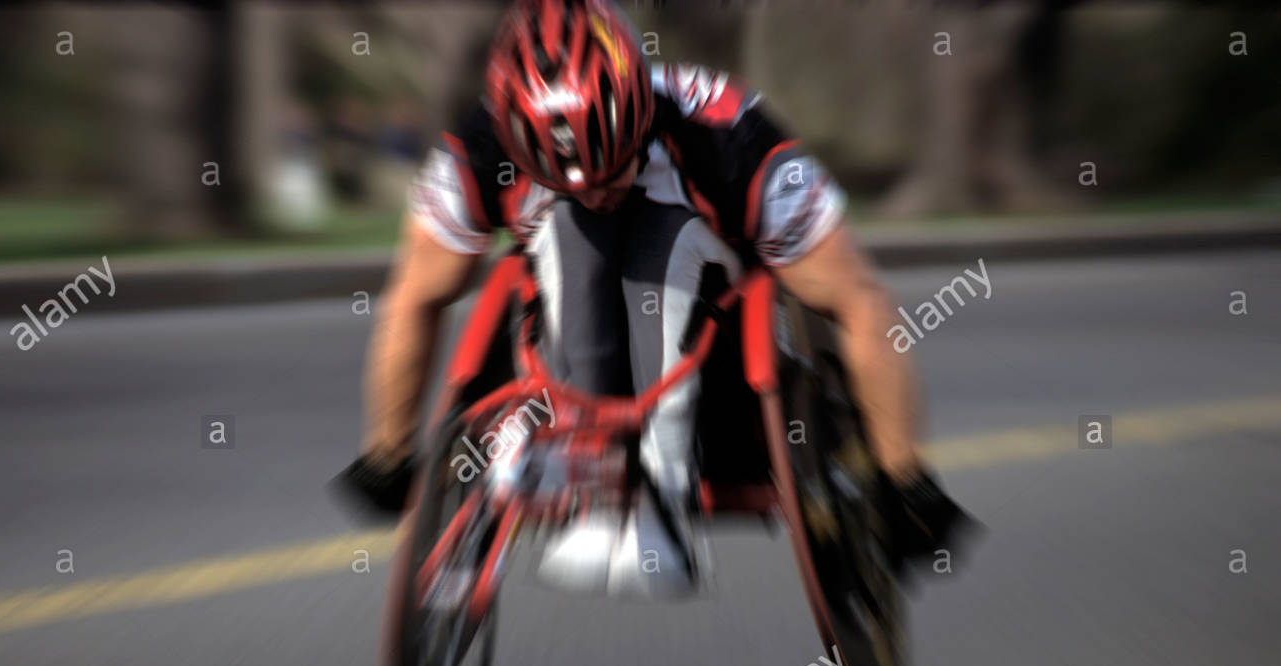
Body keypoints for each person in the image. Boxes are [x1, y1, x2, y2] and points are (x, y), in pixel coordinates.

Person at [339, 0, 970, 597]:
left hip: (718, 325)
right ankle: (588, 454)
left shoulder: (730, 137)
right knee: (567, 229)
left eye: (614, 169)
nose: (597, 195)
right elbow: (413, 300)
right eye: (566, 178)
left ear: (644, 111)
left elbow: (859, 302)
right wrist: (389, 454)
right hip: (563, 307)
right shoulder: (478, 152)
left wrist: (904, 479)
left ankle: (658, 494)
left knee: (658, 231)